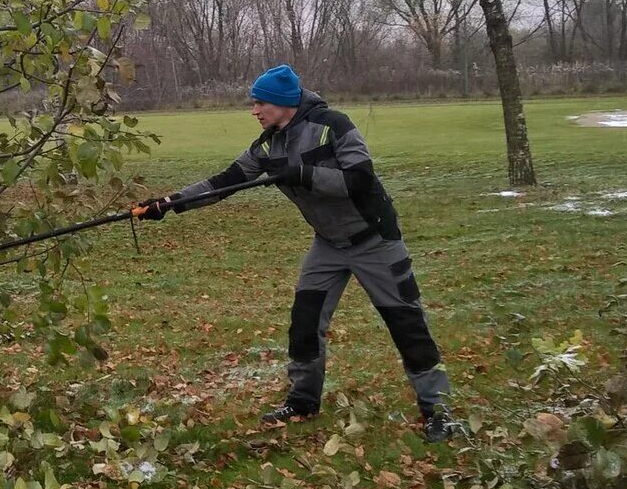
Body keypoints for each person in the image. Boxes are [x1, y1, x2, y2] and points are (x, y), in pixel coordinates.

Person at [137, 65, 454, 442]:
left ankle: (437, 409)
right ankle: (303, 401)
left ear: (285, 103)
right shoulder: (268, 145)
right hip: (328, 244)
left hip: (375, 240)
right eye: (254, 103)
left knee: (405, 323)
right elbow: (225, 182)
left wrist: (303, 173)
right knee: (305, 322)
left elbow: (360, 179)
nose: (255, 111)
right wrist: (170, 203)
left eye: (261, 103)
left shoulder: (333, 125)